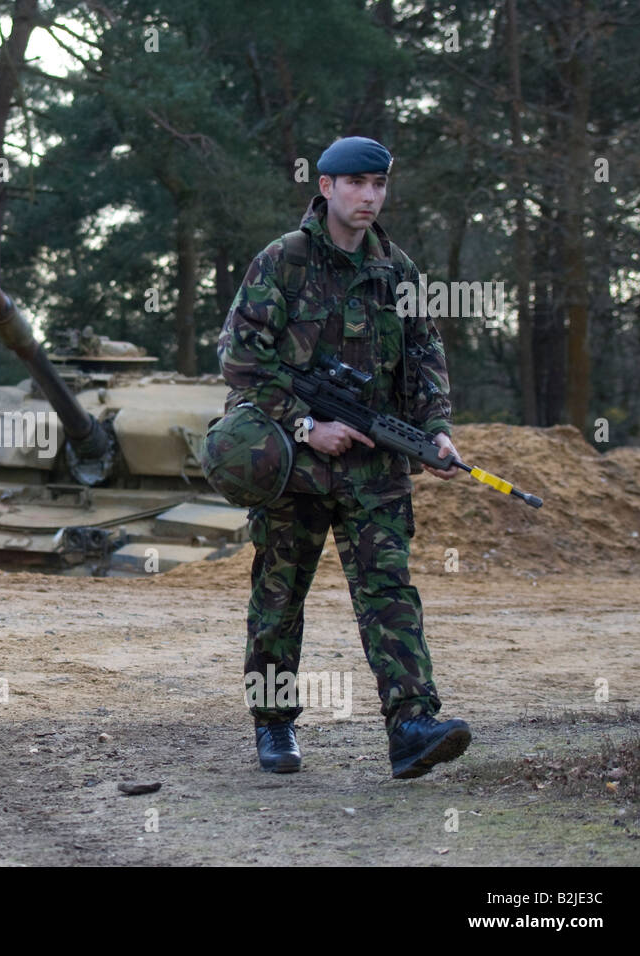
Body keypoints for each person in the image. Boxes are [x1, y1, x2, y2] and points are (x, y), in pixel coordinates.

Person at [210, 136, 471, 779]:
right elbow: (239, 359)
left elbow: (425, 358)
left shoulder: (398, 271)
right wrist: (305, 425)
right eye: (355, 183)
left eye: (378, 185)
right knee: (280, 596)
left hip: (375, 467)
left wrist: (435, 431)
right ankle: (274, 724)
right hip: (293, 467)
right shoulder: (283, 262)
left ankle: (412, 725)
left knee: (389, 593)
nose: (369, 196)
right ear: (325, 187)